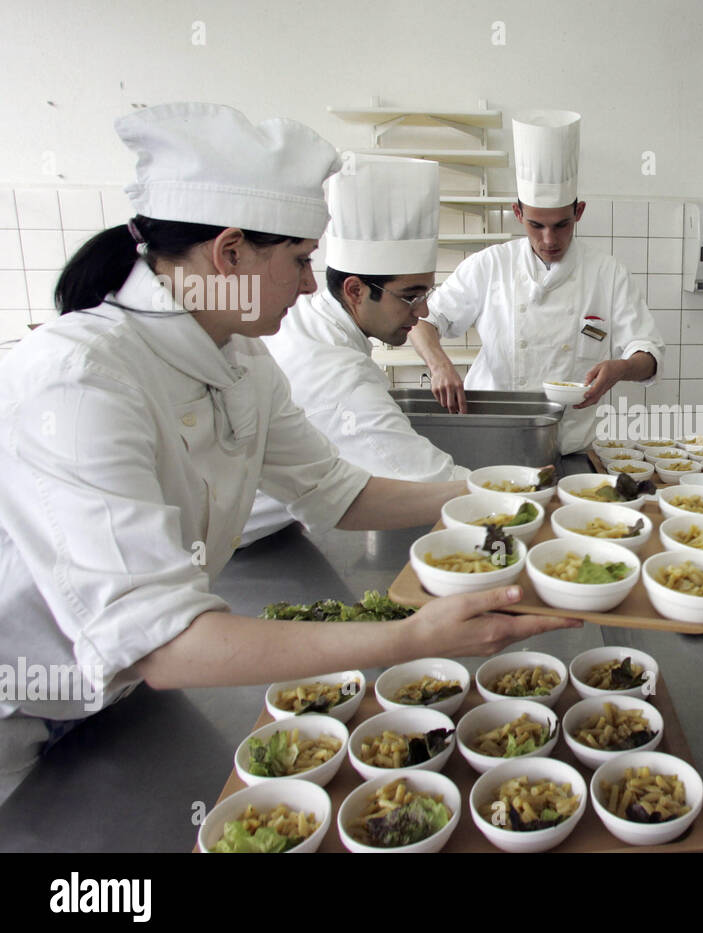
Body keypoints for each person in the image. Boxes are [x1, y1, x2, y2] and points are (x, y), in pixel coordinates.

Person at [0, 103, 576, 787]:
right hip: (21, 707)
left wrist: (500, 495)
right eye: (301, 260)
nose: (311, 284)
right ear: (230, 253)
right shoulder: (81, 379)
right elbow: (162, 642)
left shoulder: (241, 359)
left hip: (121, 694)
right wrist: (409, 639)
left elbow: (339, 492)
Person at [409, 110, 664, 454]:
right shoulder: (491, 264)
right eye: (535, 225)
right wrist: (439, 364)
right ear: (518, 214)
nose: (548, 239)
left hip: (568, 443)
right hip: (489, 436)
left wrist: (621, 369)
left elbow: (648, 353)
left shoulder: (607, 272)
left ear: (579, 212)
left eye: (561, 225)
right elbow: (422, 320)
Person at [244, 154, 465, 543]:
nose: (425, 310)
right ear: (355, 291)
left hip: (278, 530)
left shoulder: (309, 320)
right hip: (241, 552)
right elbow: (425, 477)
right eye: (411, 296)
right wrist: (527, 497)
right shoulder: (331, 367)